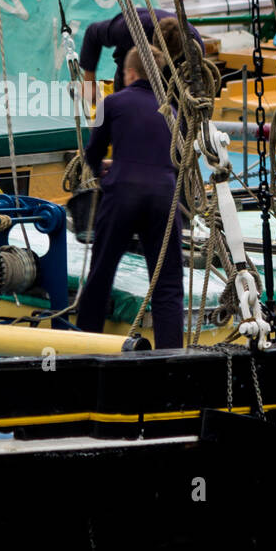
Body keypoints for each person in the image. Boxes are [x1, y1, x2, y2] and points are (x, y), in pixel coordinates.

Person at [77, 47, 183, 348]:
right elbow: (175, 157)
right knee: (167, 283)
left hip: (123, 193)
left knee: (101, 272)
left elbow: (93, 152)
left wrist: (103, 171)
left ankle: (86, 346)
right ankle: (171, 356)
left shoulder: (112, 103)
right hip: (164, 195)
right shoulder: (171, 110)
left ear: (131, 74)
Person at [79, 6, 203, 109]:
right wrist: (89, 82)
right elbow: (92, 33)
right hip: (130, 69)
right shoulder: (130, 28)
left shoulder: (195, 47)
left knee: (174, 120)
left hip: (176, 76)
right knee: (125, 114)